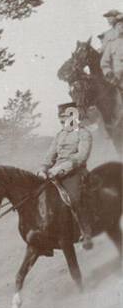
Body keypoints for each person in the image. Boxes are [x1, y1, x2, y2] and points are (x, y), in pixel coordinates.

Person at [41, 101, 94, 248]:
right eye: (61, 118)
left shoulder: (83, 133)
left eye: (64, 117)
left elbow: (81, 156)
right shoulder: (60, 135)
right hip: (54, 173)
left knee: (74, 198)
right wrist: (43, 168)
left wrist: (62, 168)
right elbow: (50, 154)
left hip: (74, 172)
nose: (62, 121)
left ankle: (86, 232)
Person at [101, 10, 123, 94]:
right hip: (117, 81)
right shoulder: (111, 44)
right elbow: (104, 62)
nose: (122, 26)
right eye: (119, 25)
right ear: (115, 27)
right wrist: (109, 73)